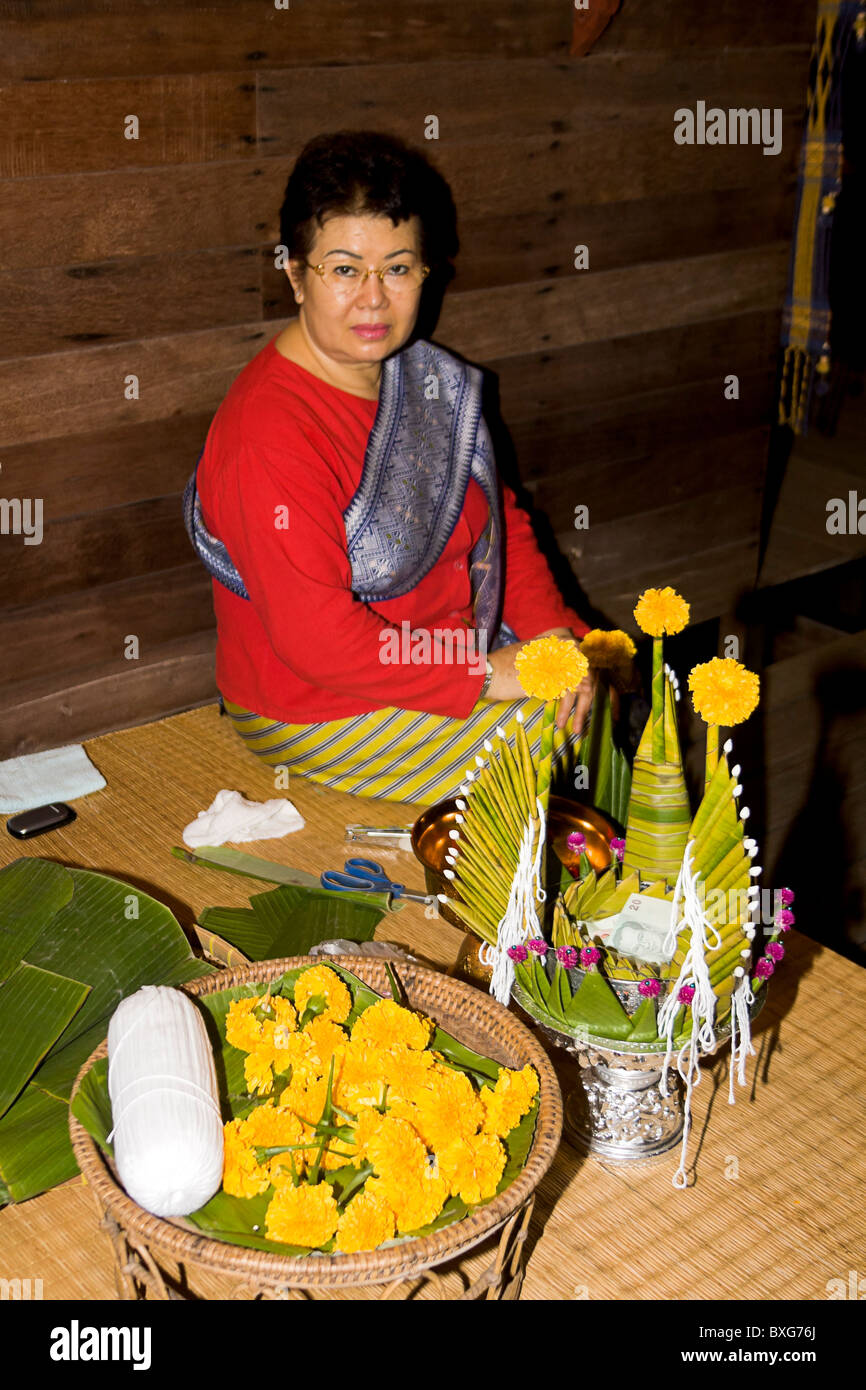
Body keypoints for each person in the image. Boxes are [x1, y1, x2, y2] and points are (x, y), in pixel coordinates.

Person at [183, 130, 594, 805]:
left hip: (448, 647)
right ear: (294, 273)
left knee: (591, 673)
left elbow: (503, 526)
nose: (374, 299)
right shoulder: (271, 431)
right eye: (344, 269)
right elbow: (319, 645)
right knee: (557, 729)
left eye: (398, 268)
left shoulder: (426, 382)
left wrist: (550, 638)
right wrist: (490, 674)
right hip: (319, 703)